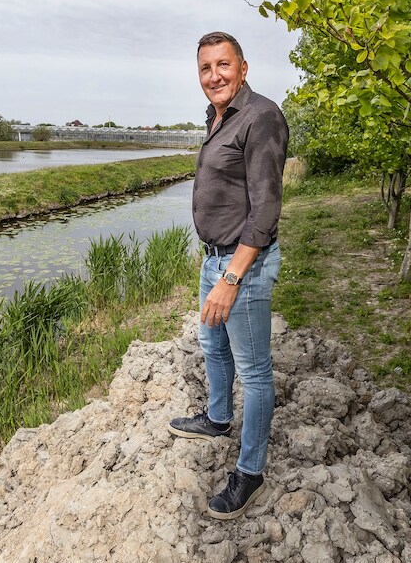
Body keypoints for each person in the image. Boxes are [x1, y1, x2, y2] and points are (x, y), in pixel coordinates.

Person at [169, 31, 288, 520]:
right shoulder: (219, 116)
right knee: (212, 345)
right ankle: (218, 418)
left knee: (255, 371)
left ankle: (251, 471)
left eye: (222, 65)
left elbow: (266, 210)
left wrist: (232, 277)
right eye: (205, 68)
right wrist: (213, 266)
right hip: (214, 256)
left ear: (243, 67)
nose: (213, 75)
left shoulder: (261, 116)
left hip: (244, 264)